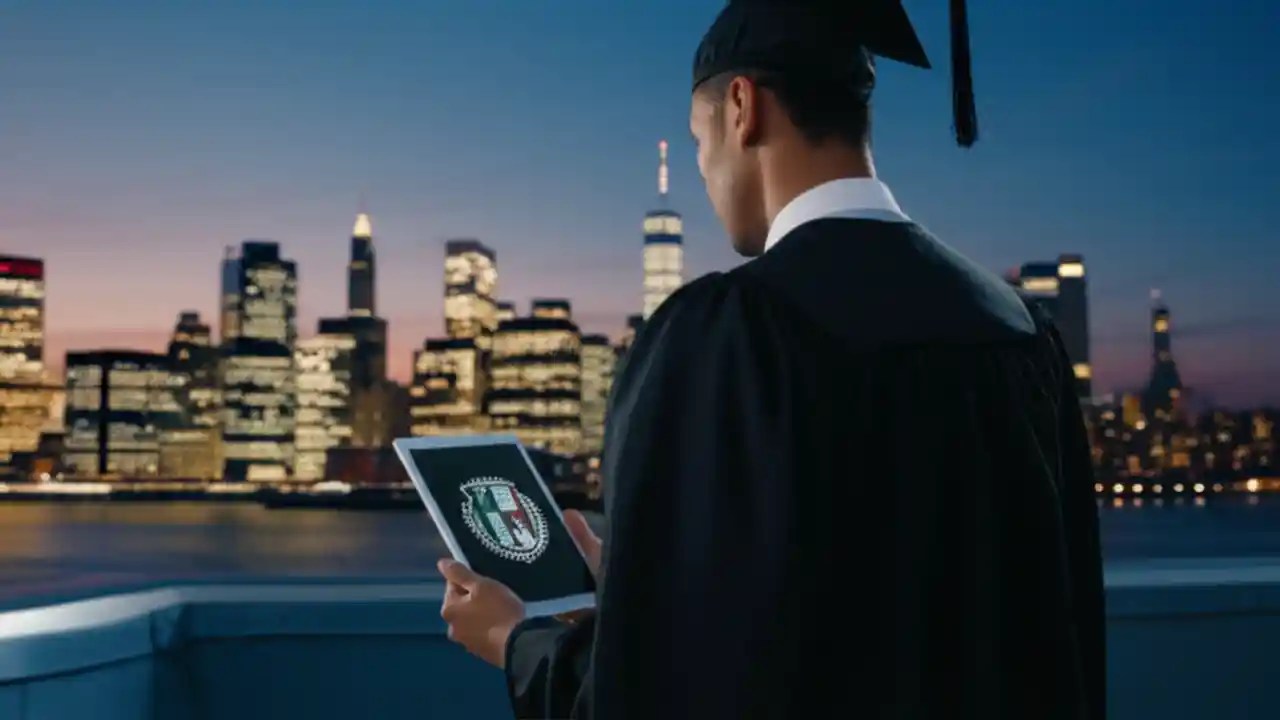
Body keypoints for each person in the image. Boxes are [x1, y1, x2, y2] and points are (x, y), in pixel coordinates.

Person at [437, 0, 1107, 717]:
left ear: (740, 107)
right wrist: (638, 583)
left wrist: (518, 641)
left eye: (698, 142)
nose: (703, 172)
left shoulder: (719, 337)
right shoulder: (1017, 332)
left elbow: (656, 697)